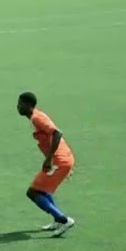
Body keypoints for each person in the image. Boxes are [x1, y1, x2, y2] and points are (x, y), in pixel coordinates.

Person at [17, 92, 76, 237]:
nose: (18, 107)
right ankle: (58, 219)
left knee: (33, 192)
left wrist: (49, 159)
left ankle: (64, 220)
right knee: (42, 191)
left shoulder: (37, 118)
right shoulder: (36, 116)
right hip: (61, 159)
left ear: (29, 105)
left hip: (59, 161)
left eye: (20, 104)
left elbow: (57, 133)